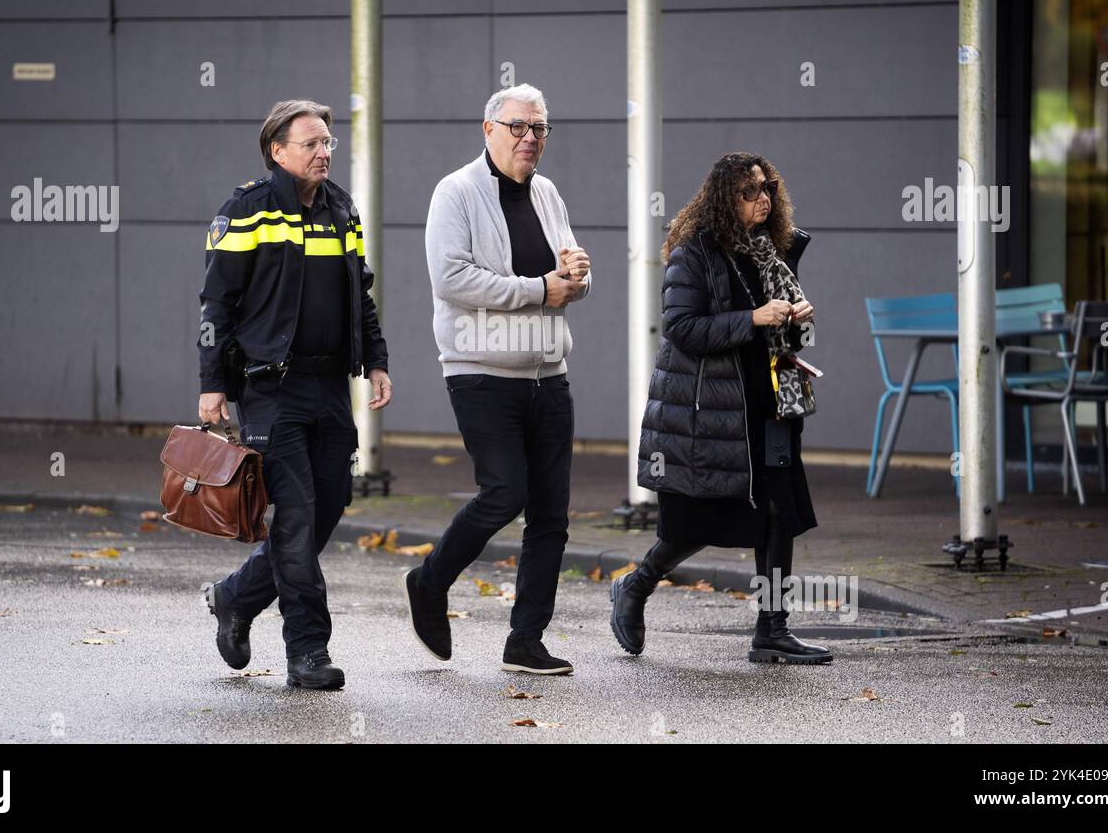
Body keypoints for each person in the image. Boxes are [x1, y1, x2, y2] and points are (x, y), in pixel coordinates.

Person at [196, 99, 392, 690]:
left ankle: (235, 595)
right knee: (297, 518)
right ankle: (307, 650)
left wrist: (376, 362)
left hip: (330, 386)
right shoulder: (247, 209)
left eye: (328, 142)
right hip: (270, 390)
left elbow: (361, 295)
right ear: (278, 151)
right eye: (311, 143)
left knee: (328, 507)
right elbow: (216, 306)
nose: (324, 152)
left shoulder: (341, 209)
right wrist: (212, 385)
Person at [612, 151, 832, 665]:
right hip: (712, 411)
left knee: (779, 513)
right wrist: (753, 317)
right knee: (694, 524)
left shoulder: (774, 252)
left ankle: (772, 630)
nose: (762, 199)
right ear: (724, 200)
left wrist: (798, 319)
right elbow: (682, 329)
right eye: (749, 192)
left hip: (771, 402)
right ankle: (634, 588)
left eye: (767, 189)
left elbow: (786, 334)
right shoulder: (695, 252)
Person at [403, 83, 592, 675]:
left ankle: (525, 640)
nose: (530, 138)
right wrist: (539, 288)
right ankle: (430, 581)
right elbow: (451, 278)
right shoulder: (455, 192)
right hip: (481, 372)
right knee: (504, 492)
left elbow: (564, 274)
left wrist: (578, 275)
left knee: (552, 515)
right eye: (518, 127)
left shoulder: (548, 193)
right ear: (488, 129)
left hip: (548, 371)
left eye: (539, 128)